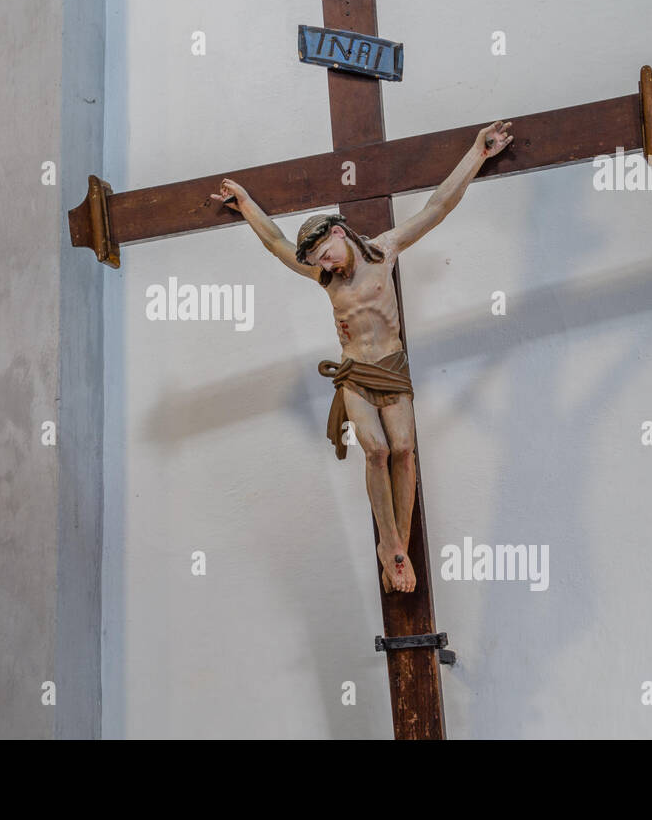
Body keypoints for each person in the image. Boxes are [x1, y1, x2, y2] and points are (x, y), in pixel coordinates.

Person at [210, 121, 513, 592]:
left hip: (391, 368)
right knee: (375, 451)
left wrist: (477, 153)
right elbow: (275, 243)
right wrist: (247, 203)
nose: (325, 265)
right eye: (317, 263)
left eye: (326, 254)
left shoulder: (383, 250)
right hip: (354, 373)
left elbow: (438, 207)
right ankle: (390, 545)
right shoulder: (324, 279)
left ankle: (399, 549)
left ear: (339, 231)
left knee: (405, 452)